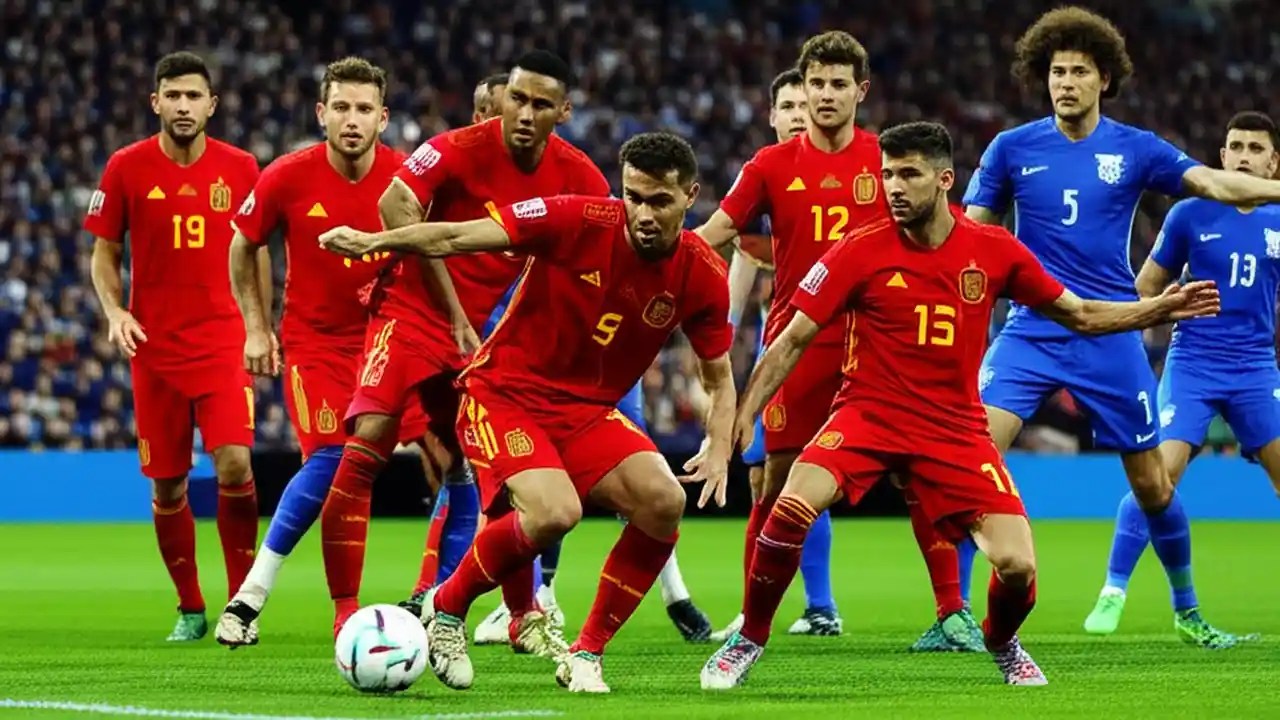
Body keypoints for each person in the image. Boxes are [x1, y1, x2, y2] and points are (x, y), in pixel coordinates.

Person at [700, 121, 1222, 690]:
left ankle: (1001, 641)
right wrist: (745, 410)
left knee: (1019, 568)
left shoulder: (993, 251)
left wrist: (1155, 311)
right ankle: (748, 639)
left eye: (908, 174)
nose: (893, 187)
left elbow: (1080, 314)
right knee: (793, 503)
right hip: (866, 415)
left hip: (953, 428)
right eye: (887, 175)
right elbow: (792, 339)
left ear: (945, 179)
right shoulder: (858, 249)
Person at [319, 131, 736, 694]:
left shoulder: (703, 273)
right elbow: (458, 235)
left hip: (585, 411)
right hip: (505, 393)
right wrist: (377, 238)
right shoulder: (575, 218)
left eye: (658, 201)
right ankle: (447, 608)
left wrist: (717, 442)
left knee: (664, 502)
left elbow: (719, 375)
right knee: (555, 511)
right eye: (632, 196)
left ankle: (587, 653)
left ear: (691, 195)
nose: (642, 212)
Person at [963, 6, 1280, 647]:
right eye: (1057, 71)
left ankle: (1188, 612)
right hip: (1031, 329)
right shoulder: (1012, 147)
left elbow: (1212, 182)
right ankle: (952, 615)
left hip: (1110, 334)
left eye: (1080, 71)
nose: (1066, 82)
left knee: (1154, 485)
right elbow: (970, 236)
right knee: (970, 458)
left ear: (1104, 78)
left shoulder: (1135, 149)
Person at [317, 50, 610, 655]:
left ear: (564, 111)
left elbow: (597, 253)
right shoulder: (456, 147)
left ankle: (522, 614)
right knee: (369, 434)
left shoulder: (579, 176)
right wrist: (451, 309)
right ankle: (345, 612)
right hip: (413, 311)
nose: (524, 113)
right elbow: (393, 206)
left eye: (540, 104)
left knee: (496, 473)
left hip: (482, 336)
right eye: (517, 99)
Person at [699, 31, 979, 649]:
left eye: (837, 84)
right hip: (799, 340)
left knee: (918, 477)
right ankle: (754, 616)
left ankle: (952, 612)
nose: (826, 95)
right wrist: (661, 250)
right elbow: (718, 229)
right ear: (804, 89)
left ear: (861, 90)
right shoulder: (771, 166)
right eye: (816, 84)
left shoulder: (887, 162)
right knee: (774, 481)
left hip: (881, 341)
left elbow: (947, 231)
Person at [214, 57, 410, 646]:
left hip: (391, 342)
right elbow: (241, 244)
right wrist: (256, 325)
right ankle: (254, 595)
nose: (353, 120)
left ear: (384, 117)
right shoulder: (287, 176)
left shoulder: (408, 179)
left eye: (364, 109)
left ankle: (443, 602)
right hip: (316, 342)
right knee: (332, 458)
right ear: (322, 113)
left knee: (444, 463)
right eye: (342, 108)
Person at [84, 51, 261, 642]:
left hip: (222, 343)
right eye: (173, 96)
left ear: (212, 104)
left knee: (235, 461)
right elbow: (104, 252)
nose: (183, 106)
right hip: (154, 349)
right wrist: (115, 311)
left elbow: (256, 249)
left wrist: (259, 325)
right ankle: (190, 606)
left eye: (194, 96)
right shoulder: (125, 167)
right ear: (155, 102)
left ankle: (243, 605)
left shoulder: (241, 169)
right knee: (167, 484)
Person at [1086, 111, 1280, 640]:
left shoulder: (1278, 221)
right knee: (1159, 477)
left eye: (1254, 148)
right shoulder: (1189, 214)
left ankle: (1179, 612)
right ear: (1222, 157)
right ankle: (1114, 589)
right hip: (1194, 362)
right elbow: (1146, 287)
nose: (1243, 155)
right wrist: (1161, 310)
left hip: (1256, 367)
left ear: (1273, 161)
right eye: (1234, 145)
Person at [713, 68, 848, 641]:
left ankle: (822, 604)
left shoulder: (854, 168)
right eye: (787, 104)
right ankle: (769, 608)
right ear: (771, 117)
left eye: (804, 102)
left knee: (800, 475)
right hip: (788, 346)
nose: (798, 112)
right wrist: (717, 364)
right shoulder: (766, 183)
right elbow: (736, 287)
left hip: (852, 338)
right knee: (771, 478)